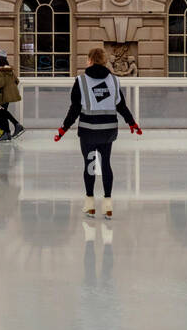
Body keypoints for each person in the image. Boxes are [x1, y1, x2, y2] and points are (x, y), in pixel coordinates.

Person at [55, 46, 141, 217]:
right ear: (104, 61)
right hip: (108, 131)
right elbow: (121, 106)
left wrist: (64, 128)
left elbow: (75, 109)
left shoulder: (81, 81)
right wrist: (132, 123)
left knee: (90, 165)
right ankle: (108, 204)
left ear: (90, 60)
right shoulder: (114, 81)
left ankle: (90, 204)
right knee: (106, 164)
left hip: (88, 131)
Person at [0, 54, 24, 143]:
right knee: (3, 112)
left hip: (2, 95)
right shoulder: (9, 70)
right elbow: (17, 81)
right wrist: (10, 89)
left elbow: (1, 83)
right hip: (8, 95)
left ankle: (15, 126)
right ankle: (7, 133)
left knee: (2, 113)